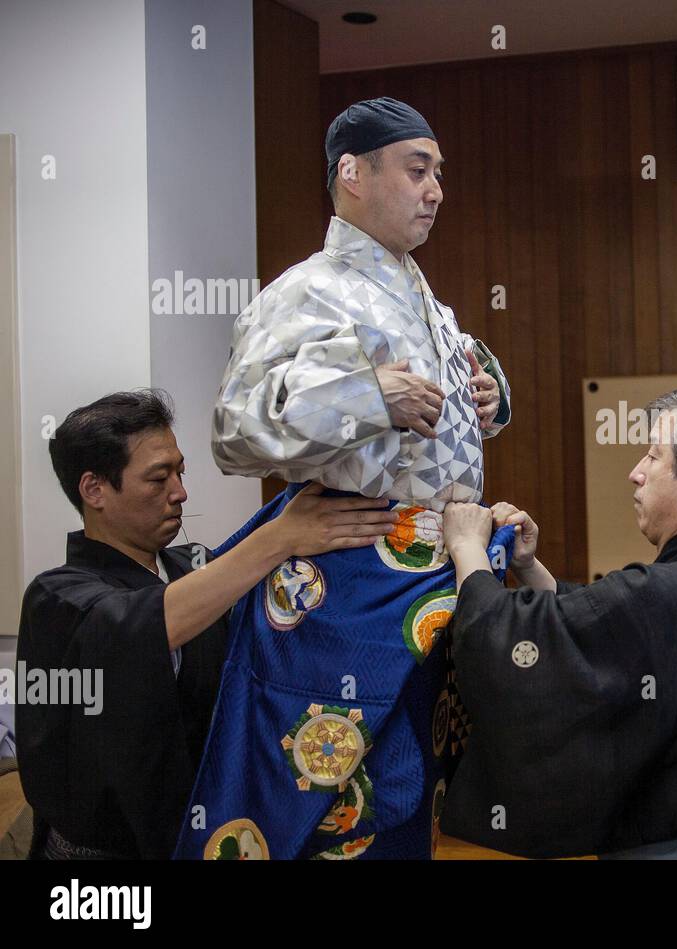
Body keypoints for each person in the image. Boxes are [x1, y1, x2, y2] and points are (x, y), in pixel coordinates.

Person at [175, 97, 514, 860]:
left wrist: (482, 396)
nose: (435, 190)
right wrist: (371, 392)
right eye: (417, 170)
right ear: (352, 174)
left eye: (439, 174)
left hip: (430, 573)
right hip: (344, 575)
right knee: (329, 802)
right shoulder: (306, 289)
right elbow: (235, 427)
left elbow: (441, 423)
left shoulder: (428, 298)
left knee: (408, 788)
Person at [15, 390, 395, 859]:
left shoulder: (192, 568)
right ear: (95, 490)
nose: (180, 492)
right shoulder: (57, 596)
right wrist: (278, 537)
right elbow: (141, 629)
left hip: (203, 829)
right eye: (158, 478)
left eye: (180, 472)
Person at [439, 388, 677, 859]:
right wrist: (529, 566)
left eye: (653, 457)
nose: (636, 473)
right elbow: (598, 633)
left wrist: (467, 545)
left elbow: (508, 639)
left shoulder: (666, 594)